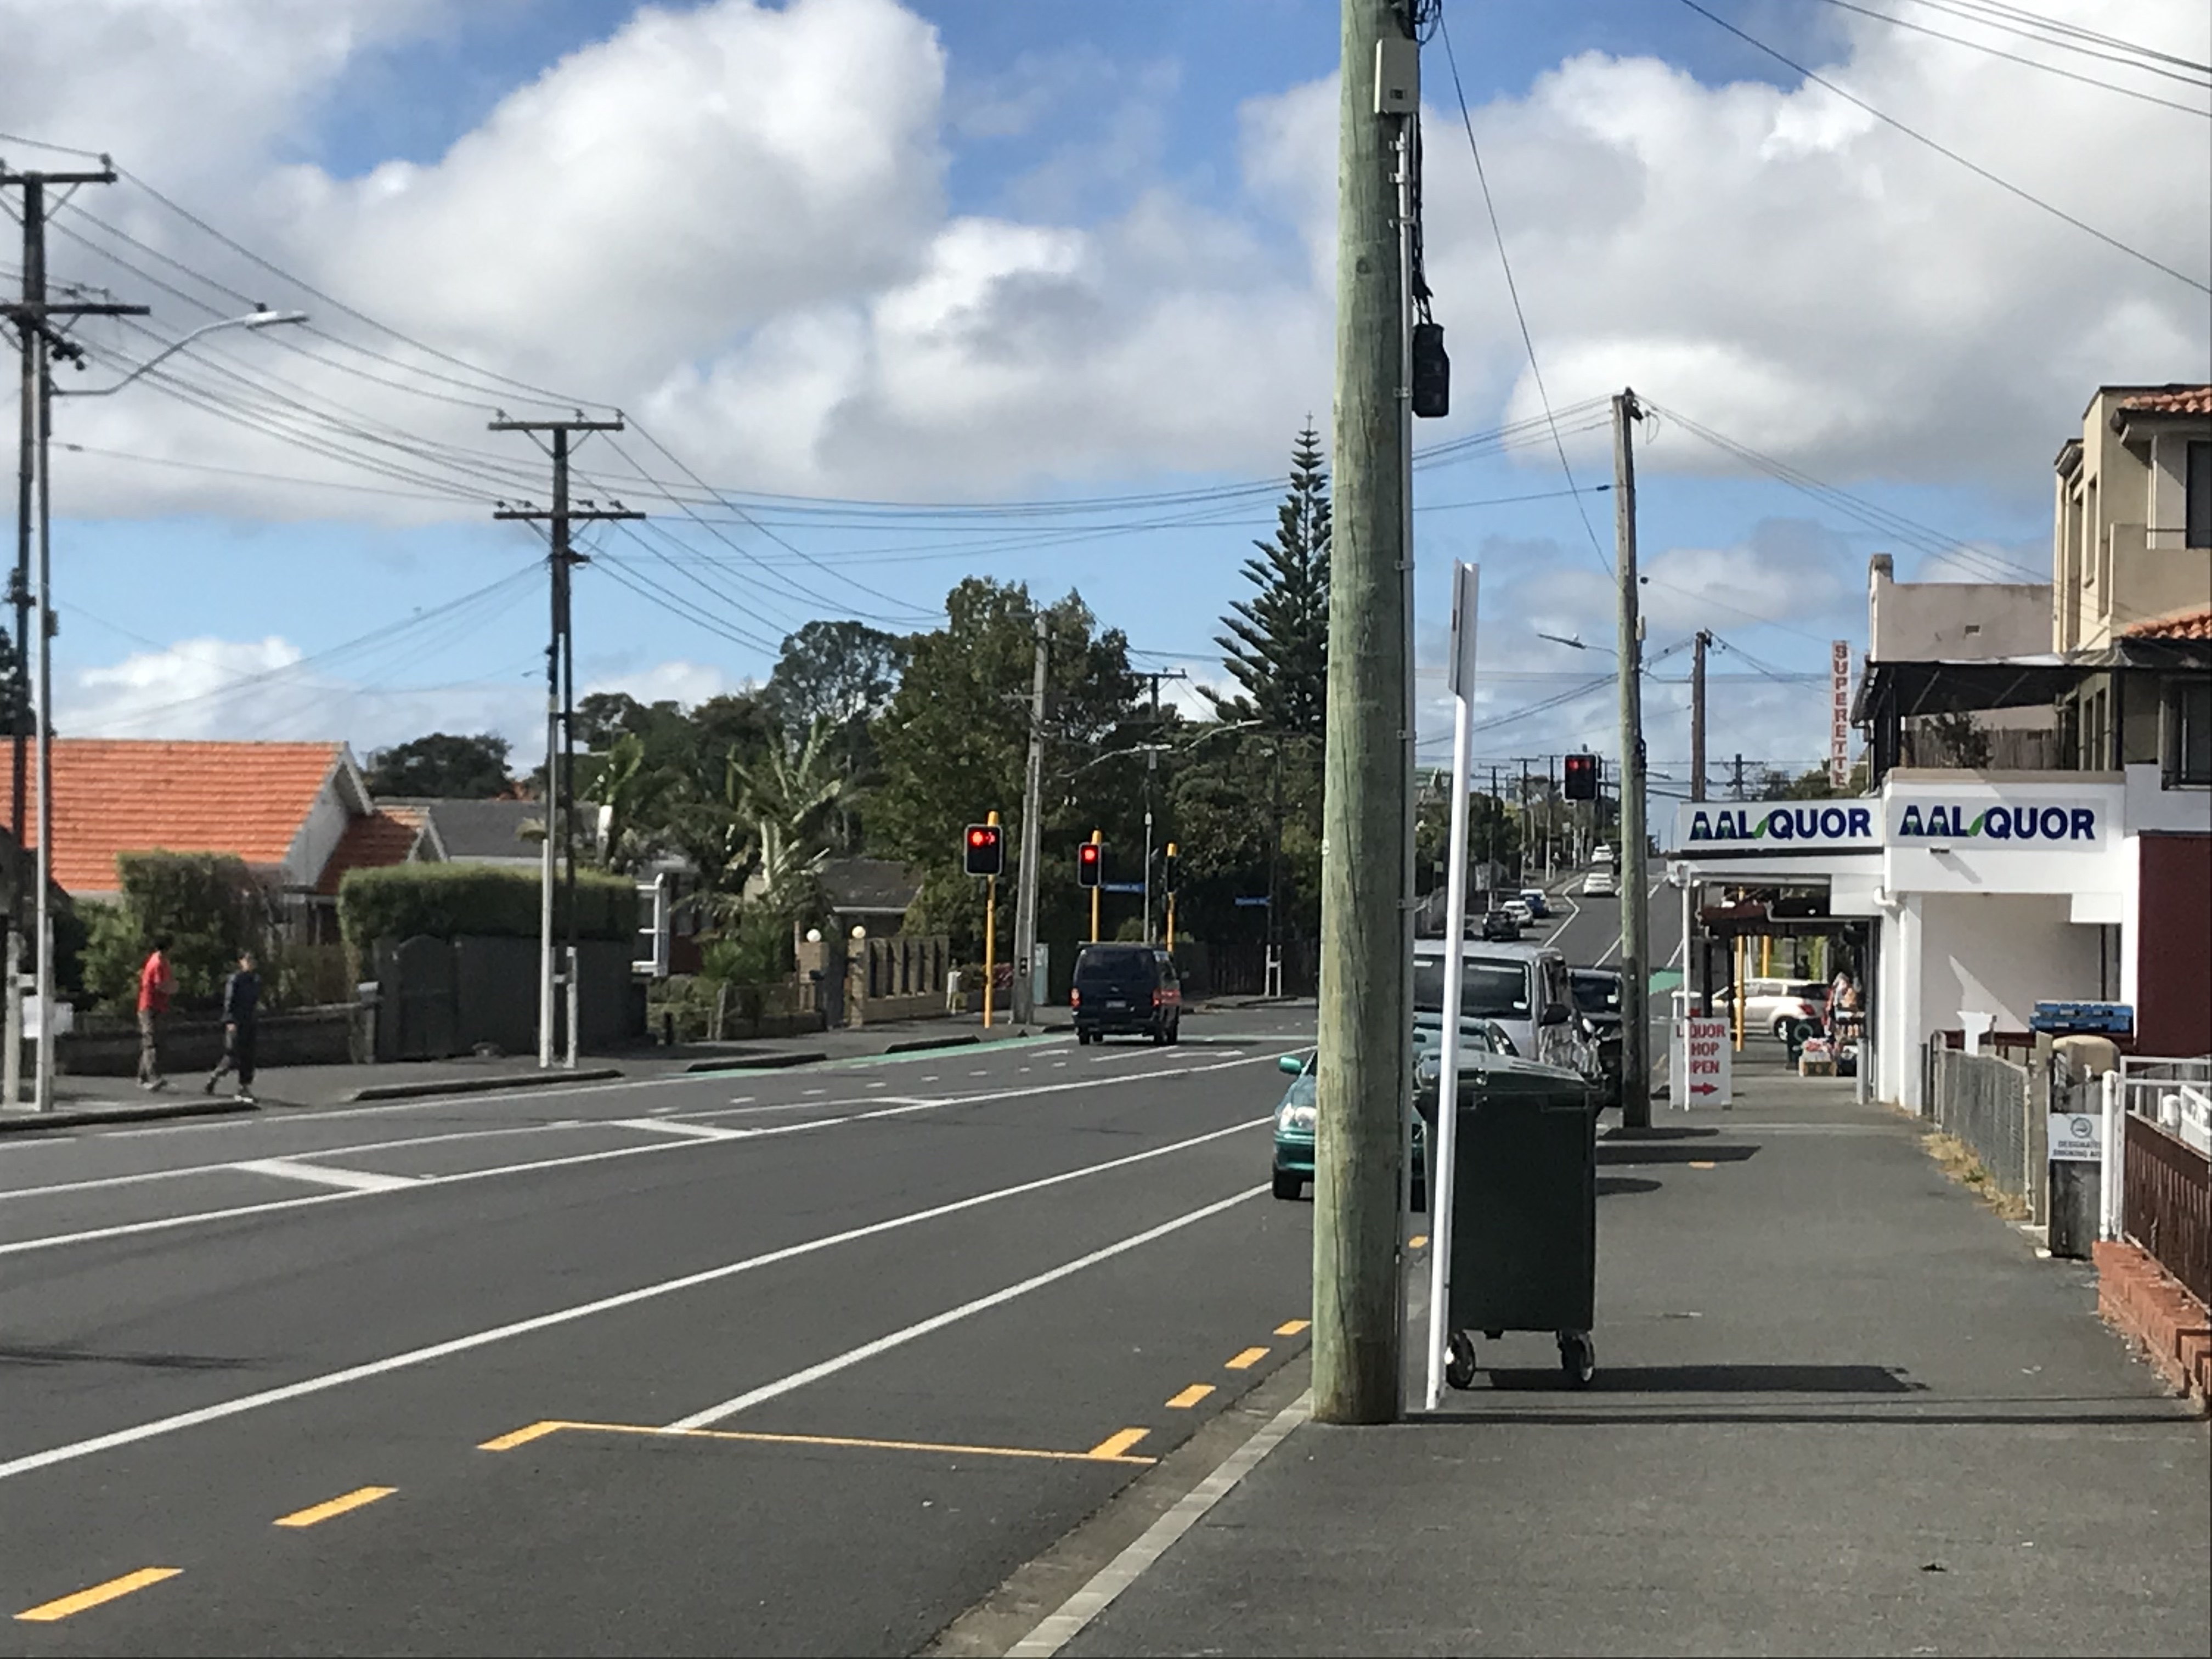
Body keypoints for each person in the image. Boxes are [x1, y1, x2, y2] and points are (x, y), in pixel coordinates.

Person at [205, 949, 262, 1104]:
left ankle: (244, 1087)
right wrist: (230, 1021)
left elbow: (255, 1002)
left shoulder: (256, 980)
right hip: (237, 1021)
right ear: (241, 962)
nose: (250, 963)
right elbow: (229, 1001)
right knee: (232, 1055)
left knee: (249, 1056)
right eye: (247, 960)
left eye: (252, 960)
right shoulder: (235, 979)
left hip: (250, 1021)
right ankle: (215, 1076)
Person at [136, 935, 176, 1091]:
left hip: (157, 1006)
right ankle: (153, 1077)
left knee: (153, 1041)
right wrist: (173, 989)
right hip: (149, 1006)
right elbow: (160, 985)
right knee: (151, 1041)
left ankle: (142, 1077)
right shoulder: (158, 963)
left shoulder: (162, 961)